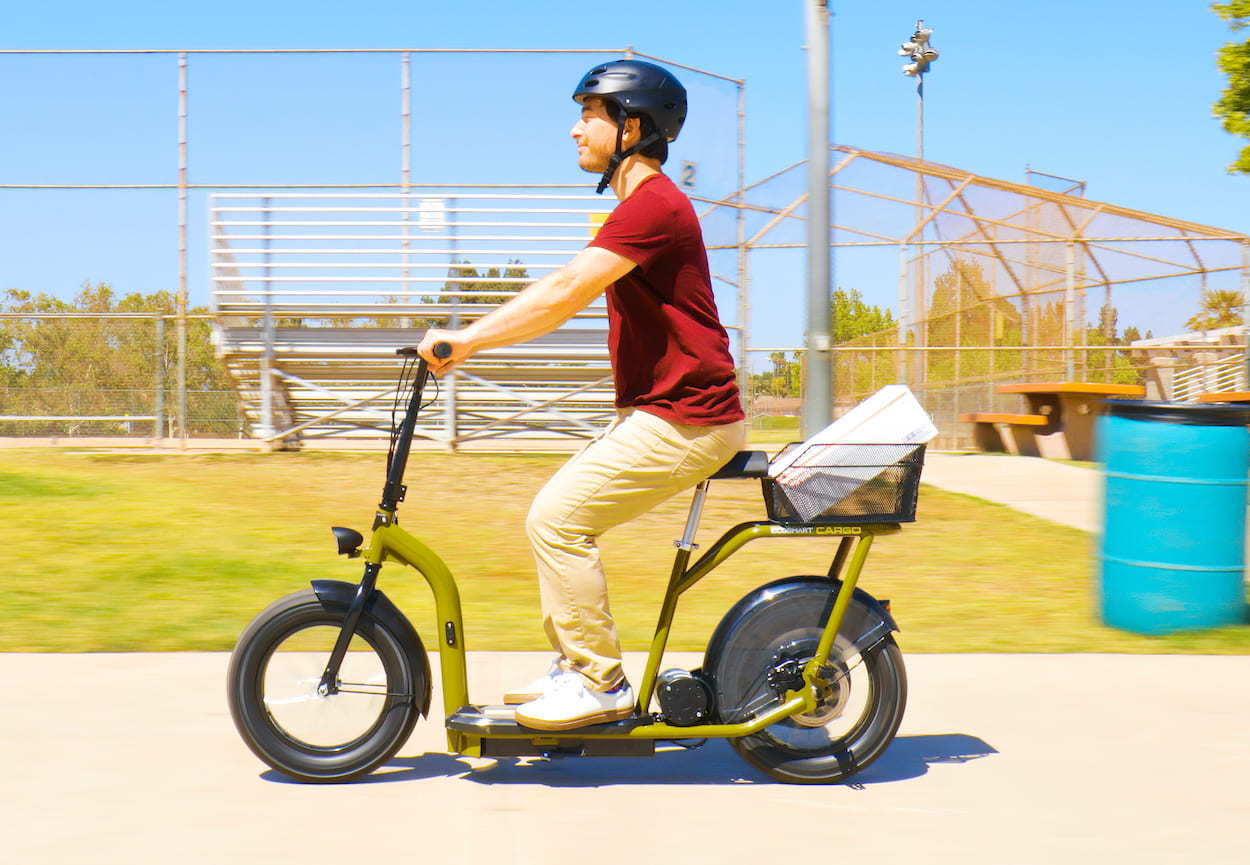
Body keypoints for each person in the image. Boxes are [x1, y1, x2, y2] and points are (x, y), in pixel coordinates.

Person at [417, 59, 745, 731]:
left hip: (690, 419)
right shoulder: (638, 207)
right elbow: (566, 288)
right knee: (556, 515)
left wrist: (466, 340)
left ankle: (600, 680)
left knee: (557, 519)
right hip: (668, 413)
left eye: (588, 116)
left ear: (631, 127)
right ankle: (577, 664)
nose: (574, 130)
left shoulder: (654, 204)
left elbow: (565, 292)